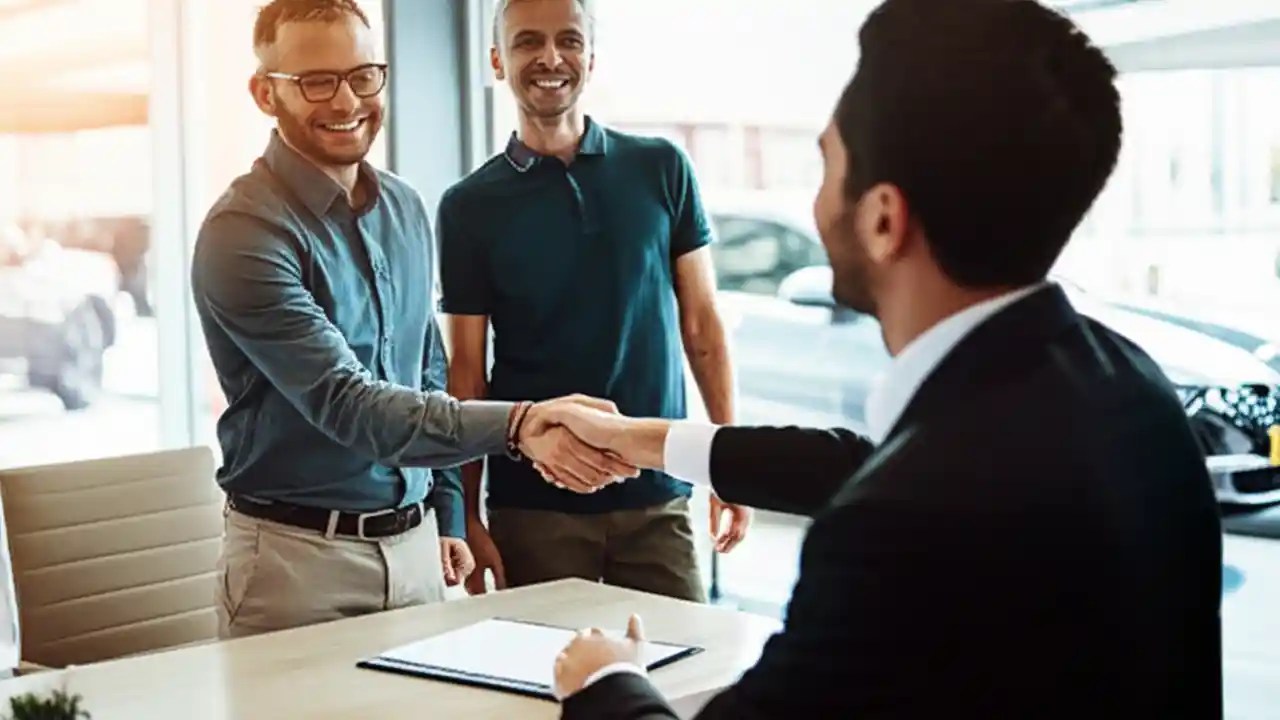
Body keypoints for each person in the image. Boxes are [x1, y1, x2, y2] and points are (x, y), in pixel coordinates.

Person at [540, 0, 1225, 717]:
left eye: (828, 164)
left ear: (882, 219)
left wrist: (604, 679)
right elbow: (865, 466)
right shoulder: (1128, 386)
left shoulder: (893, 532)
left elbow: (895, 493)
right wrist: (638, 441)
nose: (817, 200)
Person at [191, 0, 633, 639]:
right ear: (265, 93)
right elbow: (352, 405)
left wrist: (447, 509)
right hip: (296, 563)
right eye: (317, 81)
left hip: (416, 550)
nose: (346, 101)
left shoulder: (402, 205)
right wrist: (521, 423)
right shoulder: (244, 233)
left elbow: (426, 369)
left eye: (363, 75)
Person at [437, 0, 751, 603]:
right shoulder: (468, 205)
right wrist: (468, 515)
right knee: (542, 687)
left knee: (683, 683)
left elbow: (703, 327)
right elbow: (466, 374)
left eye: (569, 41)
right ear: (499, 61)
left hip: (660, 493)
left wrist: (729, 463)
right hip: (533, 508)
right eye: (529, 42)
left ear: (591, 57)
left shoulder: (661, 168)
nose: (551, 57)